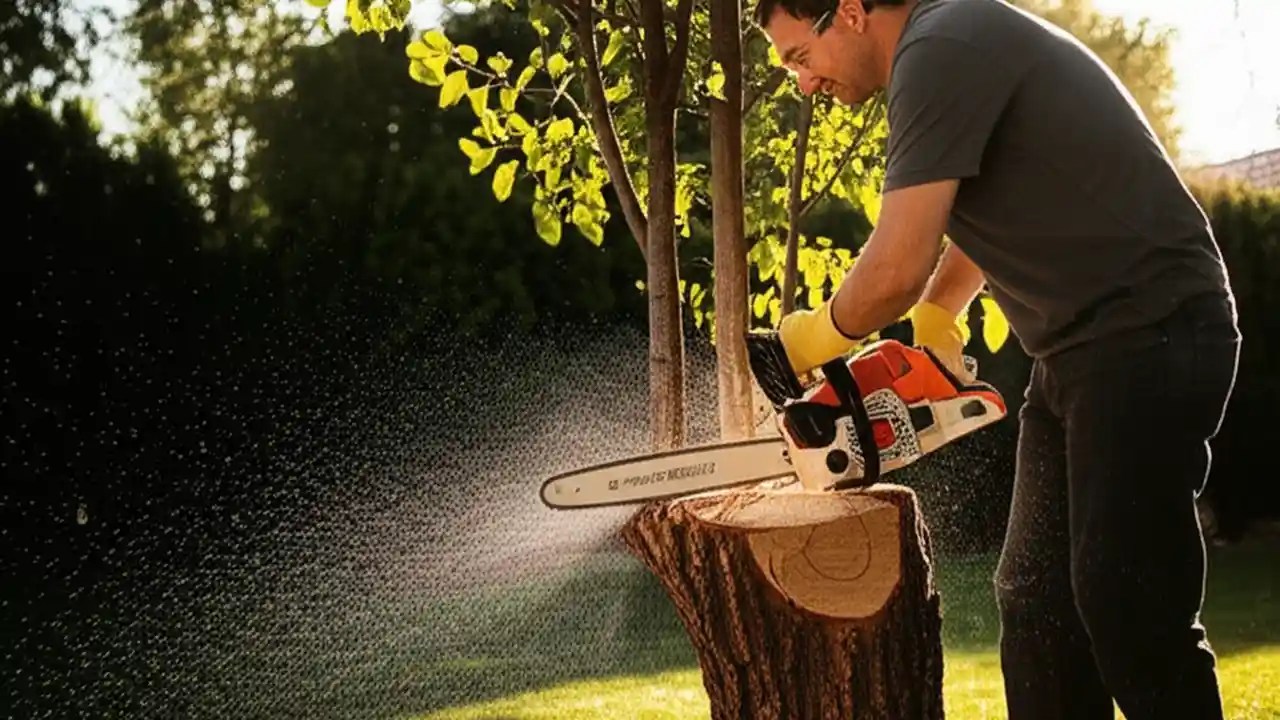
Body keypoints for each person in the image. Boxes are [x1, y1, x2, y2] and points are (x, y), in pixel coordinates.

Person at [744, 0, 1242, 718]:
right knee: (1038, 605)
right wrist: (941, 313)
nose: (803, 83)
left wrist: (806, 341)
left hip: (1150, 331)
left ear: (848, 11)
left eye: (799, 56)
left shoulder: (939, 46)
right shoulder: (949, 46)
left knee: (1127, 605)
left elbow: (893, 269)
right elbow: (986, 202)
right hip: (1077, 353)